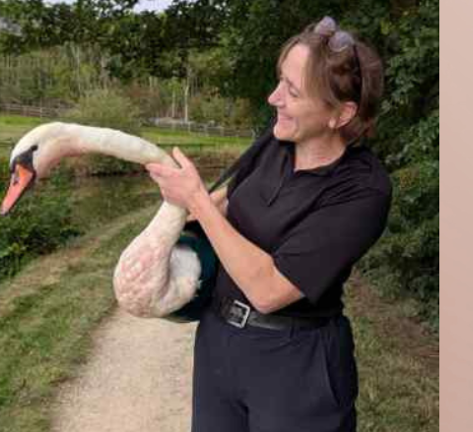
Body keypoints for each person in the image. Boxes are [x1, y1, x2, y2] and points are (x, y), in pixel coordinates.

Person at [146, 16, 391, 432]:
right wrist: (180, 209)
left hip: (296, 362)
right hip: (219, 344)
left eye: (292, 91)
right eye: (280, 80)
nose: (273, 97)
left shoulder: (362, 190)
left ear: (341, 114)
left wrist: (197, 202)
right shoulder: (276, 142)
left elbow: (269, 290)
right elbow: (221, 203)